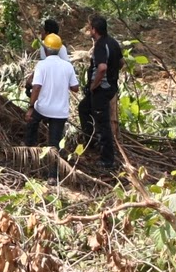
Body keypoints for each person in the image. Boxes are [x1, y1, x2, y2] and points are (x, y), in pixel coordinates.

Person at [26, 33, 78, 179]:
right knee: (54, 143)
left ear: (46, 49)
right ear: (59, 49)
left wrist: (31, 108)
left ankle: (29, 159)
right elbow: (75, 88)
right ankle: (52, 176)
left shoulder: (42, 65)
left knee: (31, 127)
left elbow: (36, 87)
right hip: (60, 112)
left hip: (42, 109)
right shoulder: (67, 66)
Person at [80, 14, 124, 170]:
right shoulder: (113, 43)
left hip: (101, 90)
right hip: (109, 87)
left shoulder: (100, 45)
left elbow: (102, 68)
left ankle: (107, 159)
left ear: (94, 30)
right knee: (84, 108)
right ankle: (91, 142)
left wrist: (93, 85)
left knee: (103, 123)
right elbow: (121, 62)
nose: (89, 31)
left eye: (90, 28)